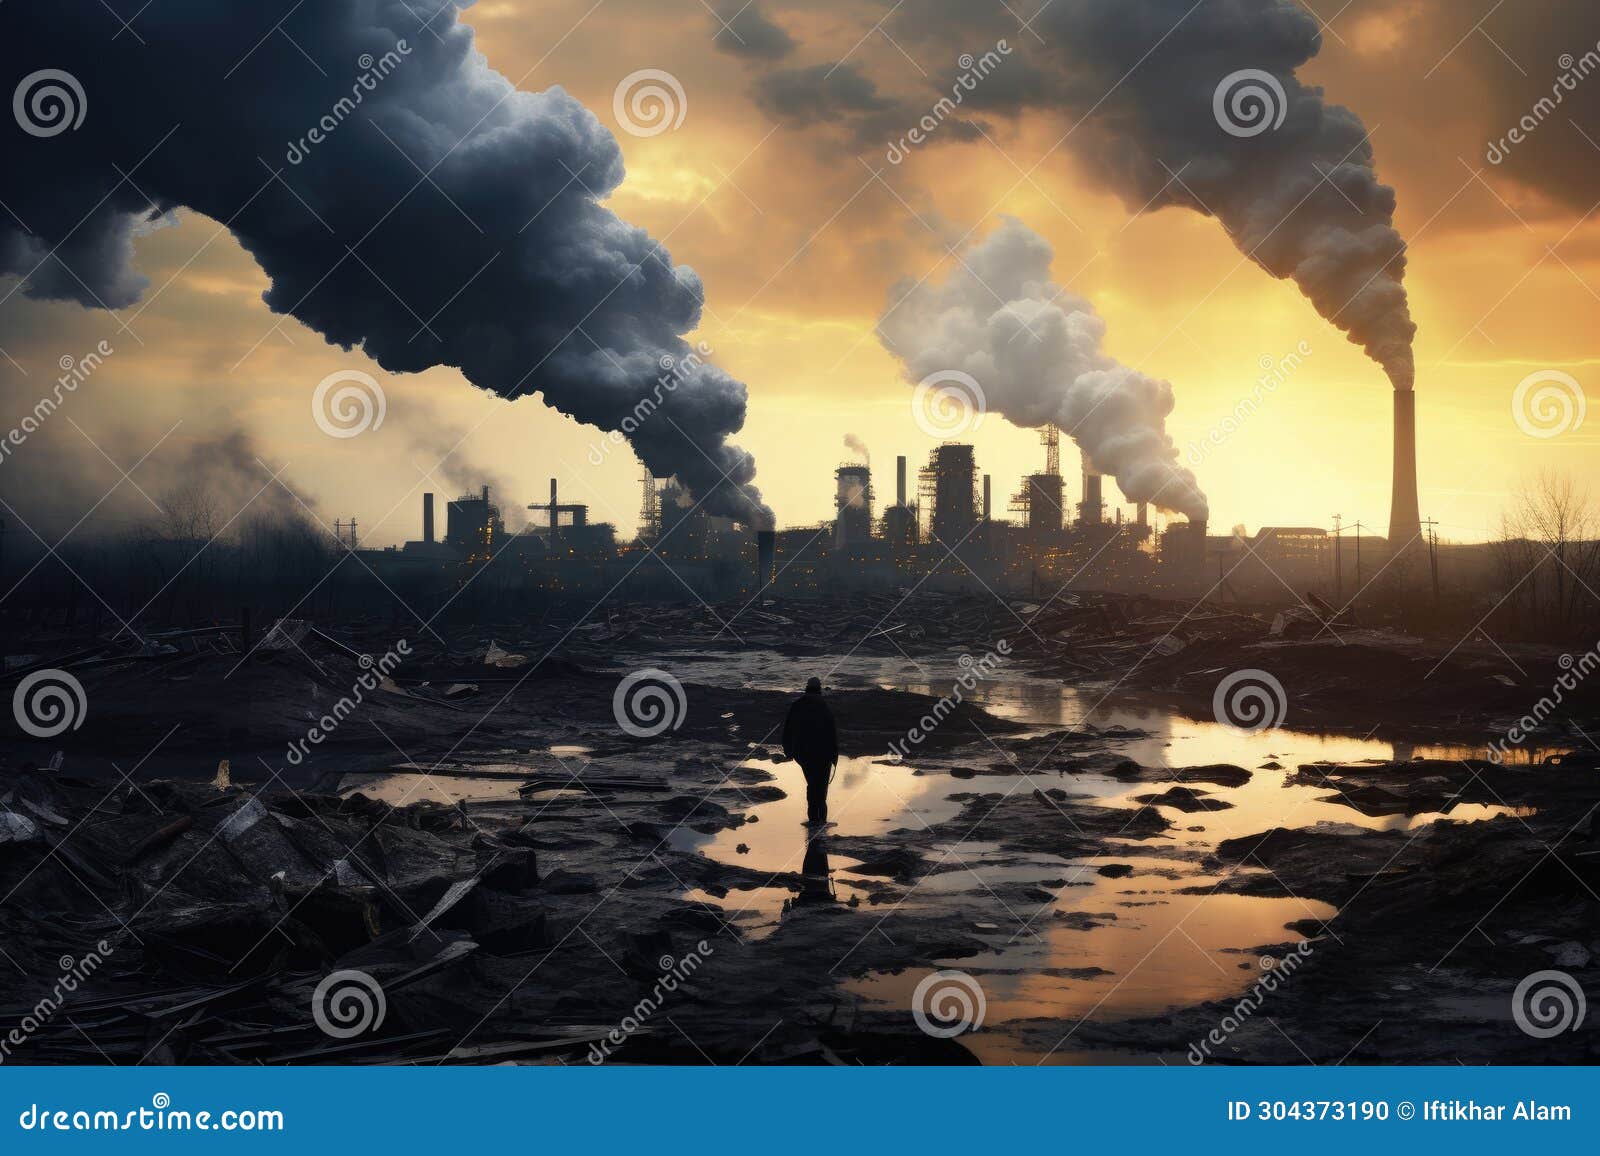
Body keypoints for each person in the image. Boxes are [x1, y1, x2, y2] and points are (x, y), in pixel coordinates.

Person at [782, 676, 838, 826]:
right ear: (819, 689)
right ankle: (820, 818)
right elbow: (831, 733)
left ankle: (813, 816)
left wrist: (788, 750)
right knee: (821, 786)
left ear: (807, 688)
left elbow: (788, 729)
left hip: (803, 753)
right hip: (823, 753)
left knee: (812, 783)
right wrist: (834, 756)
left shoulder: (797, 705)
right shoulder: (824, 706)